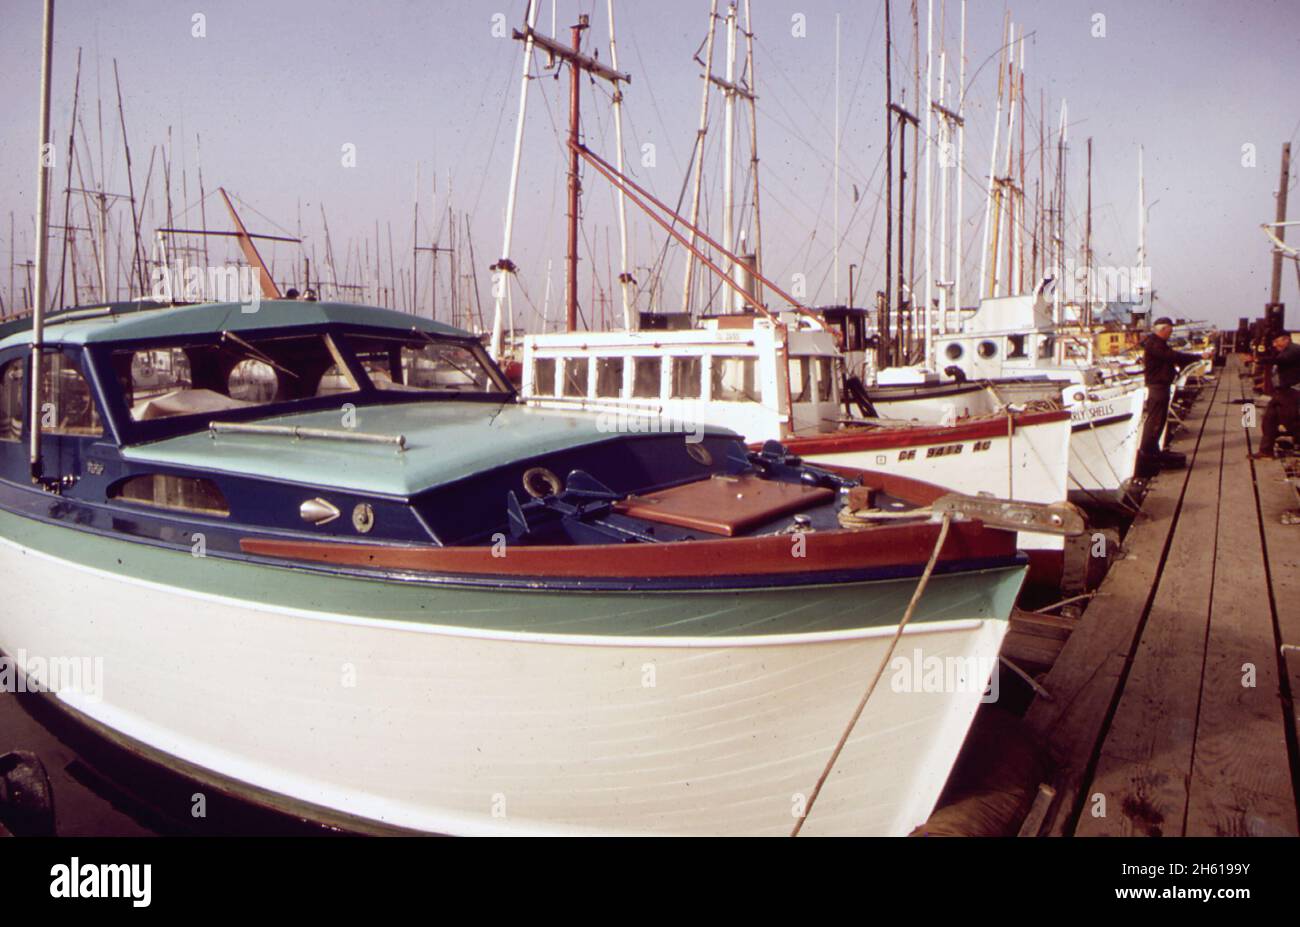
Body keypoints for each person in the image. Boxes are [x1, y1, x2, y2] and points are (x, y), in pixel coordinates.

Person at [1139, 317, 1205, 465]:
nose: (1171, 333)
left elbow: (1173, 356)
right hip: (1157, 387)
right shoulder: (1155, 344)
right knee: (1155, 421)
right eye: (1170, 330)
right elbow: (1173, 356)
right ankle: (1147, 452)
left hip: (1161, 387)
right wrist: (1198, 356)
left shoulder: (1158, 343)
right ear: (1163, 329)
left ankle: (1152, 450)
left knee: (1160, 420)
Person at [1252, 330, 1300, 459]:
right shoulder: (1284, 351)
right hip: (1281, 392)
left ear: (1286, 339)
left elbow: (1280, 361)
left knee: (1291, 422)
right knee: (1269, 419)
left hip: (1291, 392)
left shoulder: (1294, 350)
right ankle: (1266, 451)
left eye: (1276, 341)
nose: (1274, 345)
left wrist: (1258, 359)